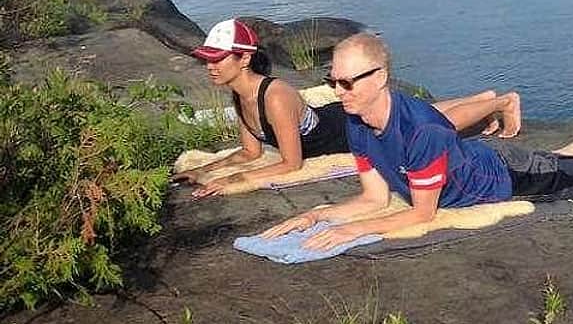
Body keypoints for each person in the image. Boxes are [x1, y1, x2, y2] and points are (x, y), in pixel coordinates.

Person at [261, 33, 573, 250]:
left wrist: (358, 230)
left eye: (349, 82)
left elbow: (423, 214)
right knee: (554, 157)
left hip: (509, 180)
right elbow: (374, 197)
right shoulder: (359, 123)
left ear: (381, 76)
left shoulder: (419, 130)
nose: (338, 91)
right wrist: (318, 214)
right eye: (334, 81)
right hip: (490, 160)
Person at [175, 19, 522, 197]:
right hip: (332, 122)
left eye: (219, 58)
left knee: (430, 122)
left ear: (244, 58)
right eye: (209, 58)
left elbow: (291, 163)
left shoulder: (275, 96)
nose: (211, 66)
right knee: (425, 109)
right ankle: (483, 98)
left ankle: (502, 101)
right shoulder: (239, 94)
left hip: (344, 128)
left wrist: (237, 182)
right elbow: (250, 152)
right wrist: (206, 171)